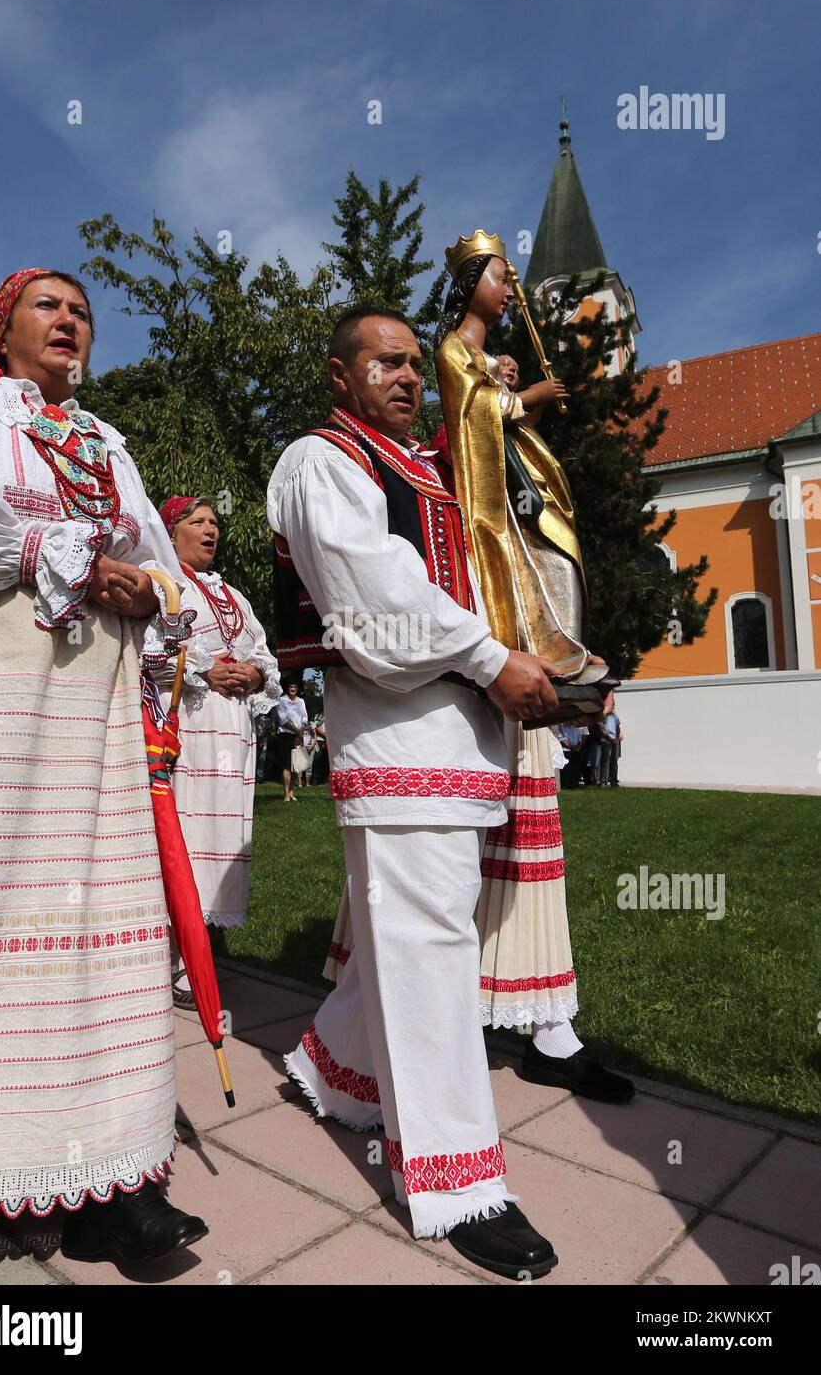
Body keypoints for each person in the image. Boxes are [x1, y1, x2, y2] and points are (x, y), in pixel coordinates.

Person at [270, 304, 569, 1280]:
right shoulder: (322, 462)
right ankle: (456, 1181)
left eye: (412, 364)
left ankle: (332, 1074)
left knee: (416, 932)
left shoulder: (427, 469)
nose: (405, 376)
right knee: (430, 950)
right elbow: (372, 599)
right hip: (397, 733)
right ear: (338, 375)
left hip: (456, 733)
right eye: (383, 362)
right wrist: (493, 660)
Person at [0, 268, 207, 1261]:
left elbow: (159, 563)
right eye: (48, 304)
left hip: (95, 713)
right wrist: (78, 561)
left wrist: (151, 584)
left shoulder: (106, 442)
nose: (70, 319)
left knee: (104, 936)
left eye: (83, 310)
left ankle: (108, 1176)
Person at [433, 230, 633, 1101]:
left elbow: (500, 455)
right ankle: (464, 1014)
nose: (510, 287)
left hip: (505, 576)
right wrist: (522, 397)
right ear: (471, 280)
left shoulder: (482, 362)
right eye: (501, 275)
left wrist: (515, 396)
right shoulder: (447, 352)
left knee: (522, 832)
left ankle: (543, 1018)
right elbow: (469, 438)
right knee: (460, 848)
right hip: (481, 588)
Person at [155, 496, 280, 1006]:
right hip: (187, 724)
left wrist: (252, 673)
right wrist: (204, 668)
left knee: (222, 836)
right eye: (198, 522)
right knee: (183, 831)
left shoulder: (232, 594)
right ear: (172, 530)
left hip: (233, 731)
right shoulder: (163, 583)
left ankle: (196, 952)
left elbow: (264, 654)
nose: (211, 530)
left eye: (214, 523)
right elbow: (150, 649)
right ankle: (168, 958)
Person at [274, 680, 308, 802]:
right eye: (290, 687)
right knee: (287, 765)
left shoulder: (301, 701)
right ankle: (286, 793)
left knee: (296, 765)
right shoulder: (281, 701)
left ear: (297, 688)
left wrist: (300, 733)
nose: (293, 689)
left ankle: (292, 792)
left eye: (295, 686)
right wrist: (297, 731)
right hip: (286, 734)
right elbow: (283, 719)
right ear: (287, 688)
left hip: (298, 735)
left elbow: (305, 718)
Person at [598, 696, 623, 787]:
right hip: (606, 740)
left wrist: (616, 738)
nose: (613, 707)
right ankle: (603, 781)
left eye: (613, 705)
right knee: (605, 761)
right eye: (611, 705)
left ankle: (613, 780)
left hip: (614, 741)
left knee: (614, 761)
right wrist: (609, 738)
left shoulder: (615, 714)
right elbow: (600, 728)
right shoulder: (603, 714)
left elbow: (617, 727)